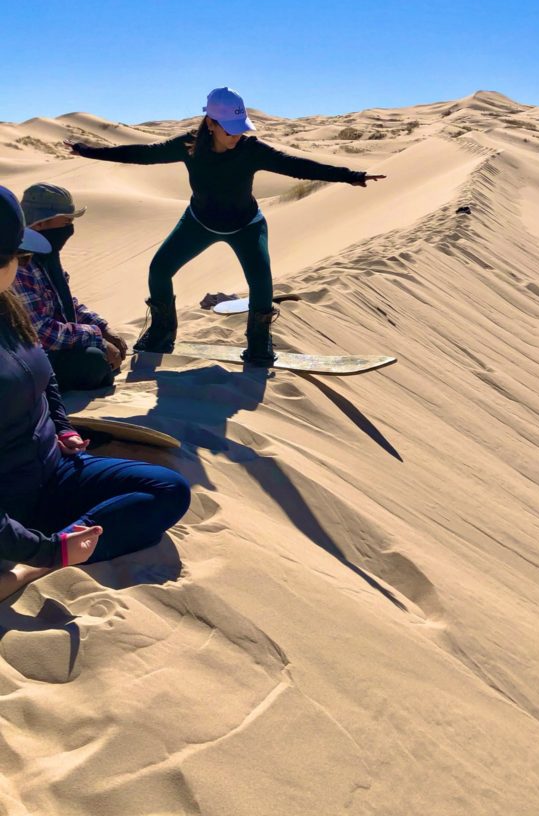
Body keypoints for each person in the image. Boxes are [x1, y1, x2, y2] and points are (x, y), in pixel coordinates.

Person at [66, 86, 386, 364]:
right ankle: (163, 330)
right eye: (230, 128)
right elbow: (141, 154)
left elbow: (296, 166)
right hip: (199, 222)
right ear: (211, 123)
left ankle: (259, 342)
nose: (237, 134)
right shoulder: (189, 146)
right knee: (159, 269)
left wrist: (351, 176)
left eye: (240, 127)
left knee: (261, 282)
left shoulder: (250, 150)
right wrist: (89, 151)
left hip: (246, 226)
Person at [0, 186, 191, 574]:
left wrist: (64, 428)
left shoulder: (8, 308)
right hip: (11, 505)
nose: (23, 264)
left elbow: (44, 377)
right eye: (18, 255)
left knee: (169, 489)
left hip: (55, 470)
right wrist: (48, 554)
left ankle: (62, 543)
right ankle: (32, 566)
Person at [13, 183, 128, 392]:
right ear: (40, 224)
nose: (70, 228)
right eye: (66, 221)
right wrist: (97, 337)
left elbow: (65, 303)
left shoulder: (47, 256)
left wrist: (103, 328)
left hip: (50, 347)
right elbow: (40, 331)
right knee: (92, 363)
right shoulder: (19, 264)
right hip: (25, 356)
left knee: (101, 356)